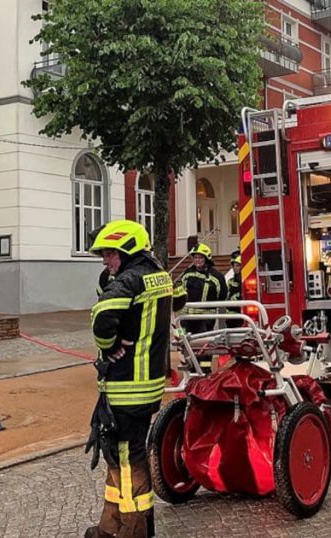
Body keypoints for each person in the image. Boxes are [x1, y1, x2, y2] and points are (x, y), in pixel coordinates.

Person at [85, 220, 173, 538]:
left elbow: (101, 315)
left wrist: (109, 346)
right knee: (120, 455)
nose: (105, 260)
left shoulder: (131, 279)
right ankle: (110, 526)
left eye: (109, 253)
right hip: (147, 384)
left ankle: (134, 530)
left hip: (125, 387)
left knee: (126, 458)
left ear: (127, 249)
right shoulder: (158, 276)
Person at [180, 243, 227, 370]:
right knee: (184, 342)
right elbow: (181, 292)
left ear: (207, 259)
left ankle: (205, 370)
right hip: (186, 318)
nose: (197, 260)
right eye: (195, 258)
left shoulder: (217, 276)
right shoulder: (188, 273)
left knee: (205, 345)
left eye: (200, 258)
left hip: (205, 319)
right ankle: (189, 368)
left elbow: (222, 295)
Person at [226, 255, 243, 328]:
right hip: (231, 314)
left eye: (238, 265)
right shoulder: (230, 281)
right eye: (234, 266)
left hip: (243, 314)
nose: (235, 268)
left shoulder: (245, 282)